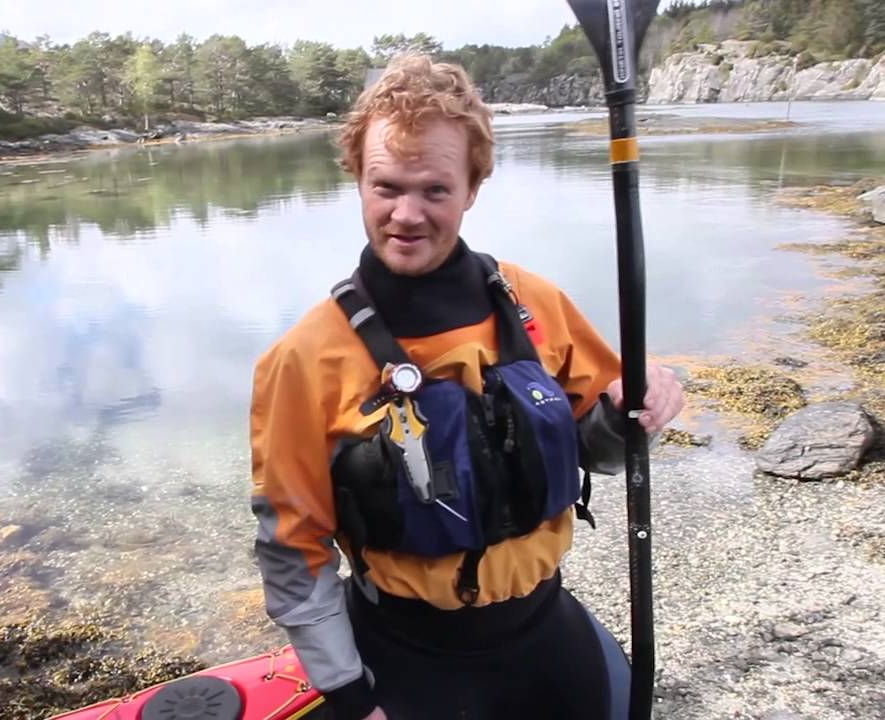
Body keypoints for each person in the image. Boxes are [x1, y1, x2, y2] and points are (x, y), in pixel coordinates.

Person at [248, 53, 685, 720]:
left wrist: (636, 410)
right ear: (357, 181)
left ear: (473, 186)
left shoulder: (534, 303)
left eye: (435, 190)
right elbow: (291, 550)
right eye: (385, 187)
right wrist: (346, 693)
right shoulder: (303, 358)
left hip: (544, 633)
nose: (406, 214)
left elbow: (596, 446)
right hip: (406, 656)